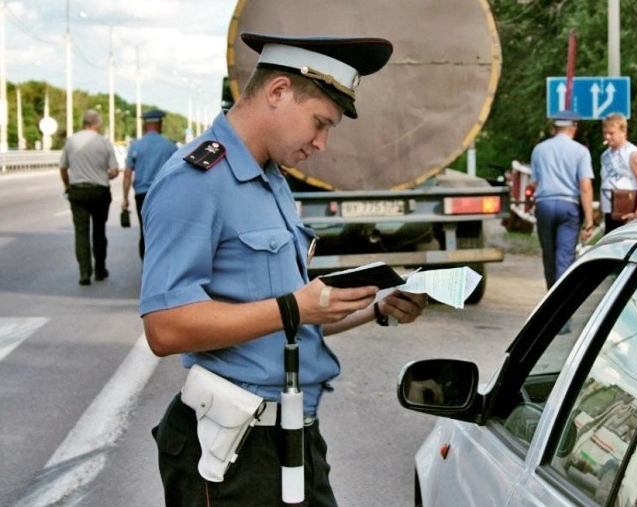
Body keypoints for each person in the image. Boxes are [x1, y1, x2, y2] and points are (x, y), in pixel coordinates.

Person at [140, 32, 427, 507]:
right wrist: (295, 306)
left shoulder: (270, 180)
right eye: (319, 123)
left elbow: (289, 321)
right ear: (277, 92)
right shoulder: (195, 180)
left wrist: (376, 308)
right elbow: (165, 328)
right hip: (231, 454)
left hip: (295, 437)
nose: (321, 142)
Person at [529, 110, 594, 291]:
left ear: (554, 128)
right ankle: (561, 307)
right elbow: (585, 187)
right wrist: (589, 220)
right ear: (573, 127)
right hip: (568, 207)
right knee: (564, 258)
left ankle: (550, 299)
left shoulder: (539, 149)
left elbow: (534, 182)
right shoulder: (581, 152)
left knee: (549, 257)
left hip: (545, 205)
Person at [59, 109, 119, 285]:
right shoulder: (104, 142)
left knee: (81, 233)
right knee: (99, 231)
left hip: (77, 191)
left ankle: (84, 273)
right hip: (100, 191)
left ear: (83, 123)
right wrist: (102, 177)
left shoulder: (71, 141)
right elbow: (115, 171)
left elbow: (63, 168)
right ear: (98, 124)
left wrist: (68, 186)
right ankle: (100, 270)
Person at [121, 109, 177, 259]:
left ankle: (146, 268)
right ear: (160, 124)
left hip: (142, 196)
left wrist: (125, 198)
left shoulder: (136, 146)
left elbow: (127, 174)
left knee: (144, 231)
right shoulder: (170, 146)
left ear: (146, 126)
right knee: (163, 231)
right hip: (164, 195)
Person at [599, 113, 637, 233]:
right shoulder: (604, 155)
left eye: (611, 133)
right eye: (605, 133)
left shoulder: (633, 154)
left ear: (623, 131)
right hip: (611, 213)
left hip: (629, 213)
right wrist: (599, 211)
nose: (607, 137)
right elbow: (605, 184)